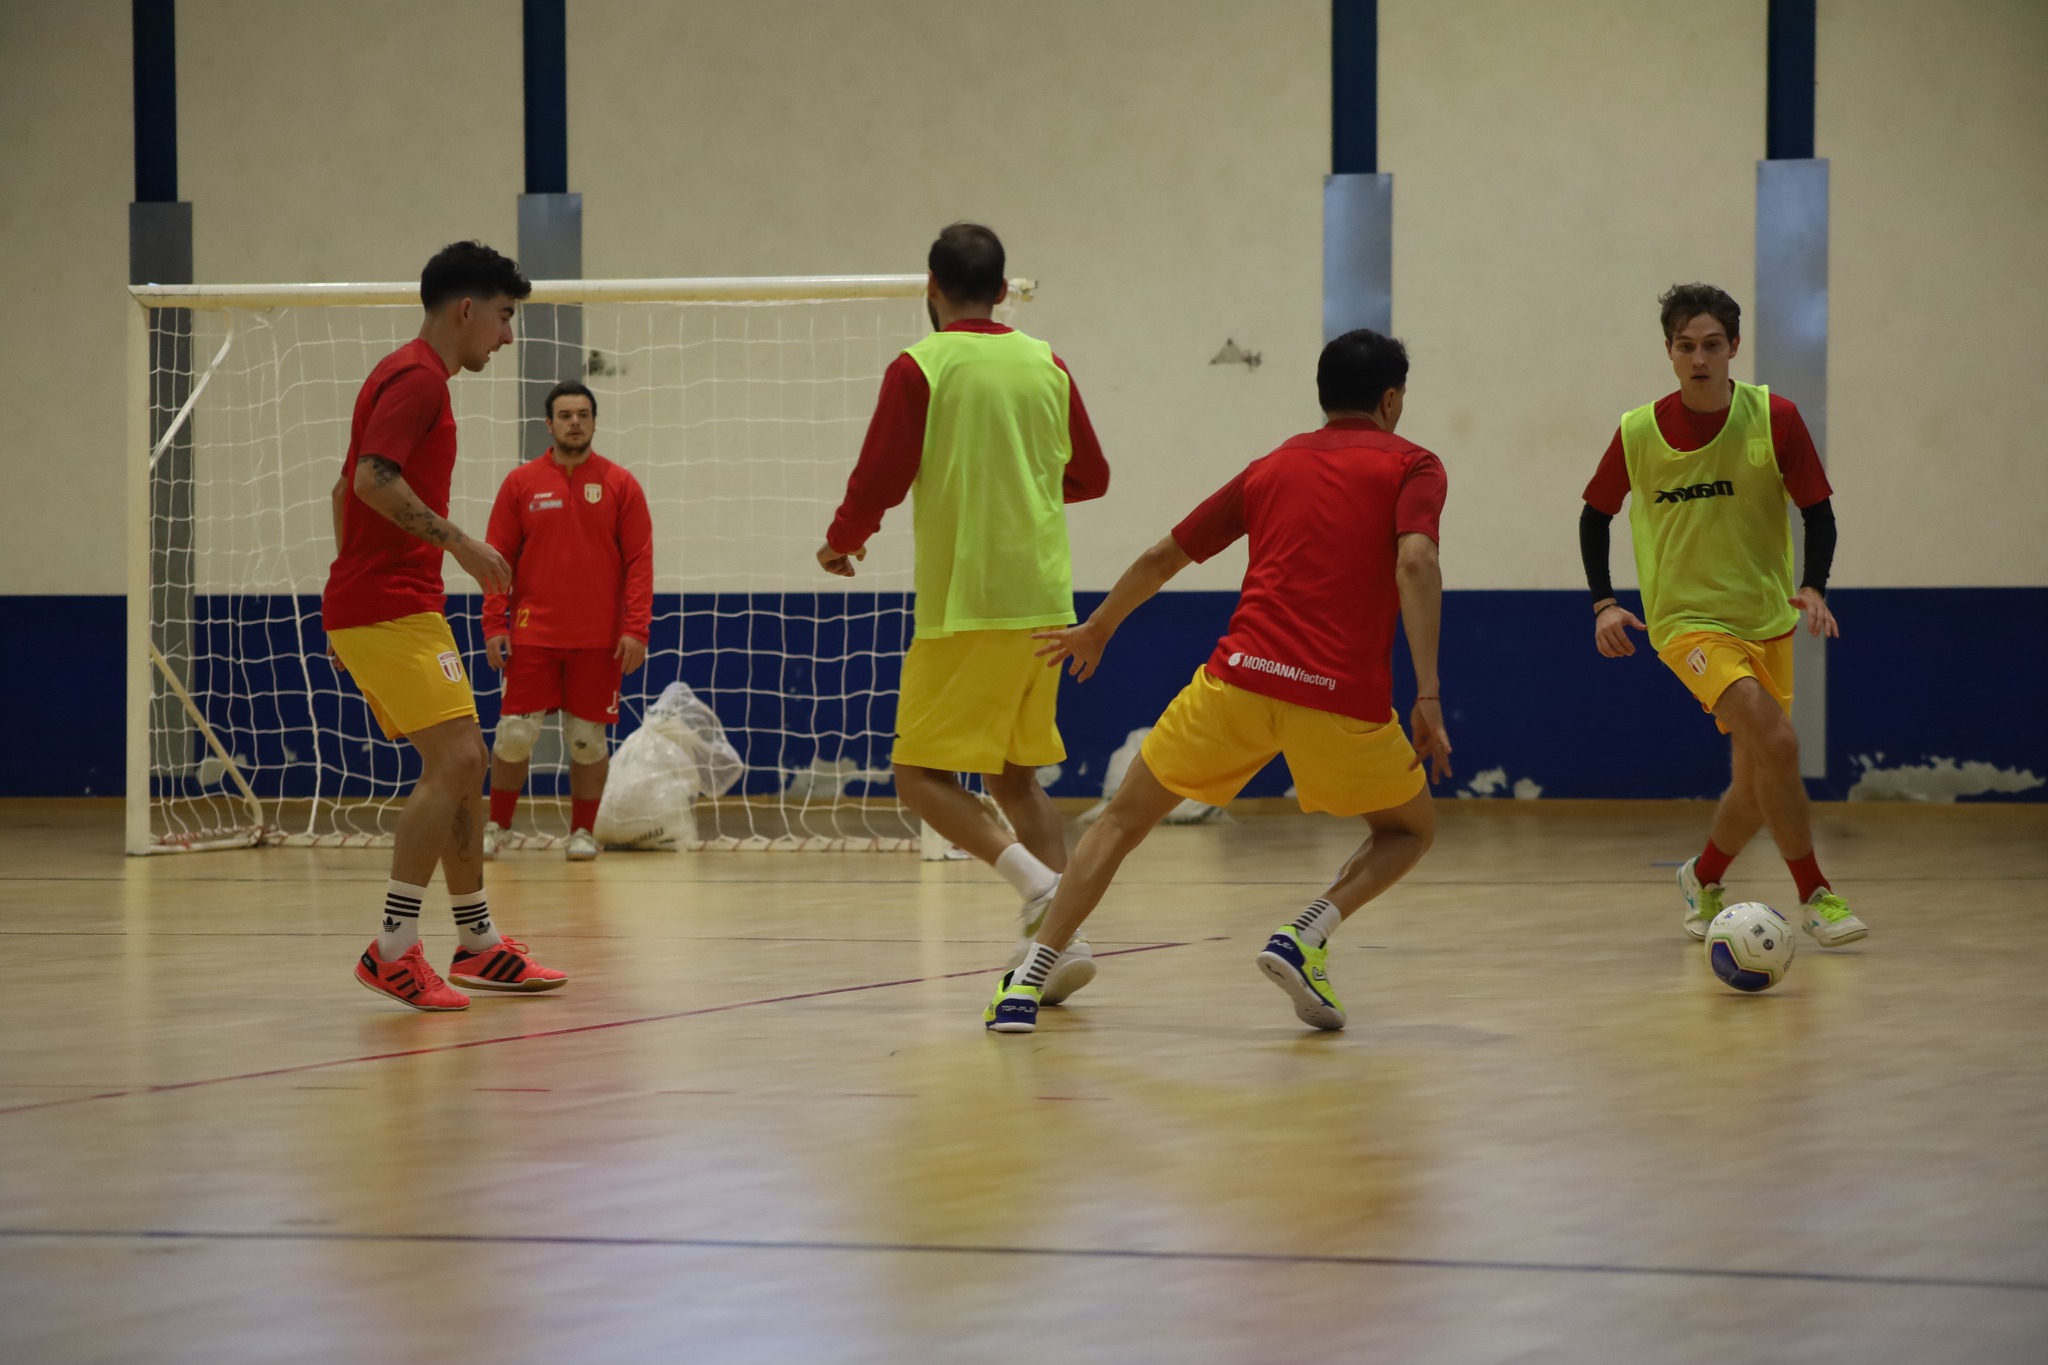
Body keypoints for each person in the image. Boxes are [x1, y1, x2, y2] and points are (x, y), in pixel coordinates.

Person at [984, 328, 1453, 1034]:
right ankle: (1306, 933)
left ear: (1323, 395)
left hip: (1238, 684)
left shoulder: (1270, 466)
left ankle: (1028, 979)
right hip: (1340, 701)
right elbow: (1415, 563)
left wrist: (1100, 627)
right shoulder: (1414, 465)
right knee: (1409, 829)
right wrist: (1427, 694)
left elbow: (1163, 554)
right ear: (1392, 400)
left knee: (1118, 822)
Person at [818, 222, 1110, 1001]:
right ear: (1006, 289)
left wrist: (842, 540)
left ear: (930, 286)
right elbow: (1092, 474)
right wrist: (1023, 486)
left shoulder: (923, 365)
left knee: (916, 775)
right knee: (1017, 775)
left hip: (969, 602)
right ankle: (1060, 944)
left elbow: (880, 473)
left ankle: (1040, 891)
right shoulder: (1046, 361)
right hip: (1048, 598)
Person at [1580, 282, 1865, 946]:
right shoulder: (1637, 432)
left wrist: (1814, 586)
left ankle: (1702, 876)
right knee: (1782, 744)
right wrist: (1603, 603)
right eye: (1686, 347)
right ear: (1670, 353)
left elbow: (1817, 510)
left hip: (1766, 618)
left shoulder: (1775, 418)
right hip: (1686, 625)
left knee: (1756, 780)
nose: (1699, 358)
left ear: (1734, 347)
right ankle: (1817, 895)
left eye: (1712, 345)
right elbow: (1596, 514)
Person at [324, 240, 568, 1011]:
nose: (507, 335)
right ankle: (393, 948)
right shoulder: (417, 378)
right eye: (502, 317)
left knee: (467, 763)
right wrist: (459, 544)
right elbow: (369, 479)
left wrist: (360, 579)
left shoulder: (414, 376)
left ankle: (477, 940)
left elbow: (343, 487)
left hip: (397, 603)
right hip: (389, 607)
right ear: (466, 310)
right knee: (462, 758)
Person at [480, 380, 654, 861]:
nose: (574, 422)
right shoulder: (520, 484)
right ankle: (497, 826)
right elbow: (497, 559)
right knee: (514, 735)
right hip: (533, 634)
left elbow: (640, 561)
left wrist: (636, 629)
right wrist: (495, 624)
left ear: (594, 422)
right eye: (565, 414)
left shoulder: (622, 485)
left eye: (582, 414)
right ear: (549, 424)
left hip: (599, 639)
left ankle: (582, 832)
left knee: (585, 739)